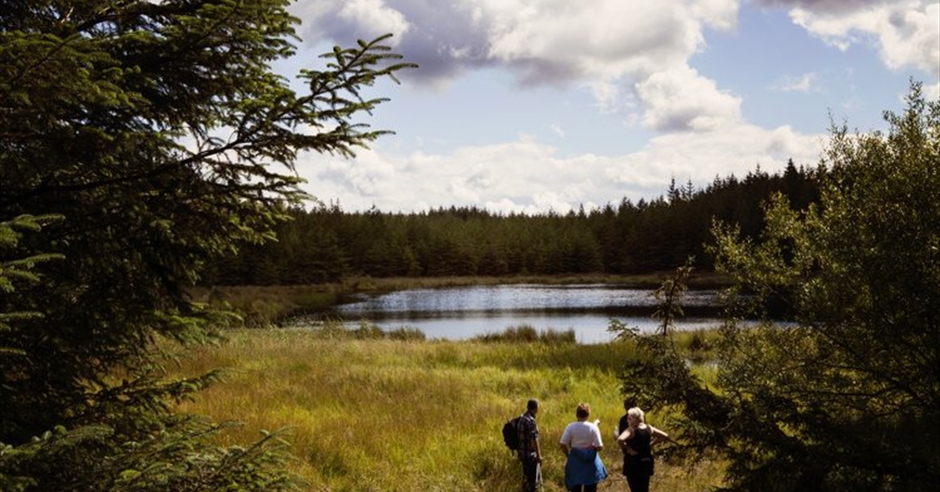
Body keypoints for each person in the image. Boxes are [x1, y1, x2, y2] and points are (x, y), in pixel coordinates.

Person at [617, 407, 670, 492]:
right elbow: (665, 436)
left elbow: (620, 439)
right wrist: (652, 444)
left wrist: (628, 449)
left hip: (633, 463)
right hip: (646, 462)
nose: (627, 421)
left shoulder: (631, 430)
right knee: (644, 488)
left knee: (635, 489)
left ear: (635, 419)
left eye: (629, 418)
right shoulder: (649, 428)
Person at [559, 403, 608, 492]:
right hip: (590, 465)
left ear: (576, 414)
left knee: (575, 488)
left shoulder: (571, 426)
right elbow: (600, 446)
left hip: (575, 463)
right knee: (590, 489)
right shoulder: (593, 427)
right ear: (588, 414)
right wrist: (592, 447)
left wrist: (568, 454)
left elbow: (562, 444)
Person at [517, 399, 543, 492]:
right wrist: (539, 455)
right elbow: (534, 439)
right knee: (533, 482)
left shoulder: (521, 418)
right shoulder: (530, 421)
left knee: (526, 480)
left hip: (523, 454)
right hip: (530, 456)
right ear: (535, 408)